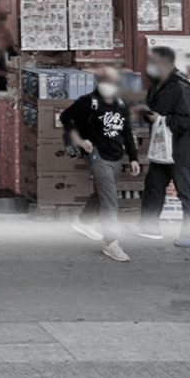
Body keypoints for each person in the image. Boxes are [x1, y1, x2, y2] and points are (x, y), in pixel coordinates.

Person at [61, 65, 141, 263]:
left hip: (116, 156)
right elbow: (65, 117)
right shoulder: (89, 102)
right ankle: (111, 243)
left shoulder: (121, 104)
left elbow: (127, 133)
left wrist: (133, 158)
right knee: (109, 200)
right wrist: (79, 140)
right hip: (97, 155)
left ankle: (83, 221)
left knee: (104, 192)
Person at [136, 45, 190, 247]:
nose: (149, 67)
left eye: (153, 62)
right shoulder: (157, 85)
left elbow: (187, 120)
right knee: (153, 186)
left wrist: (161, 119)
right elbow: (153, 111)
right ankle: (149, 227)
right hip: (161, 149)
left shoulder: (180, 86)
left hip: (179, 150)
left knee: (185, 192)